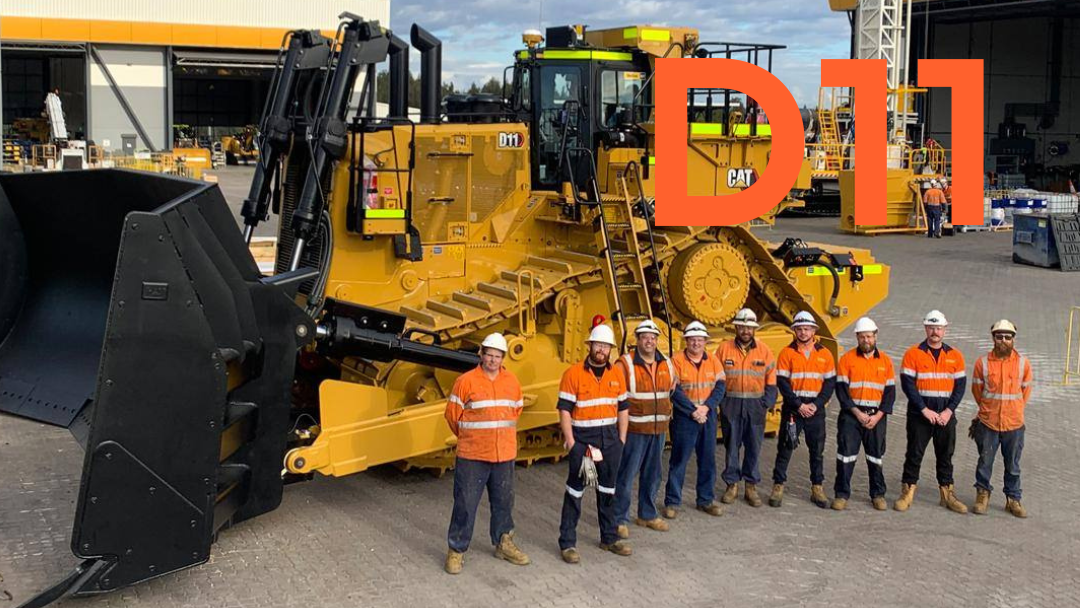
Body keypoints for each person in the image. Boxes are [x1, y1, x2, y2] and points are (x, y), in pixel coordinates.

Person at [443, 333, 529, 574]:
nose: (492, 360)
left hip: (504, 454)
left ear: (503, 358)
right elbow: (452, 415)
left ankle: (503, 542)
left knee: (504, 502)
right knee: (465, 503)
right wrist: (471, 437)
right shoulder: (465, 381)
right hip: (473, 455)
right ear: (481, 354)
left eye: (497, 356)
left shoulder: (512, 381)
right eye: (489, 355)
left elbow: (517, 410)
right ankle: (456, 550)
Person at [556, 324, 631, 563]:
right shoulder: (573, 374)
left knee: (608, 491)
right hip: (583, 443)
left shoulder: (616, 374)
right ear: (590, 346)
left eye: (606, 346)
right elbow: (565, 410)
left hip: (610, 442)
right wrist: (571, 442)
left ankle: (609, 538)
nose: (601, 350)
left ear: (610, 349)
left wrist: (621, 440)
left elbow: (623, 408)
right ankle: (568, 543)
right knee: (575, 493)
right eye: (598, 345)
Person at [614, 320, 688, 537]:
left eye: (653, 338)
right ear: (637, 340)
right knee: (626, 475)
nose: (649, 341)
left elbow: (672, 387)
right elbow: (615, 397)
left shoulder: (666, 363)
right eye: (645, 337)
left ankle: (647, 514)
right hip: (634, 431)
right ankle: (618, 519)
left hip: (658, 430)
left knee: (653, 474)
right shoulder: (625, 364)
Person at [895, 310, 968, 514]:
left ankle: (947, 494)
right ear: (925, 328)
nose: (935, 332)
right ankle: (907, 492)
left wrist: (949, 411)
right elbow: (908, 385)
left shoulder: (955, 356)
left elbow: (960, 387)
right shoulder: (913, 354)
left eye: (938, 328)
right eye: (931, 327)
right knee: (914, 453)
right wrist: (924, 409)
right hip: (920, 415)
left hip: (945, 415)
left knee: (945, 455)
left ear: (945, 329)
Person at [769, 311, 836, 509]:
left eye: (807, 329)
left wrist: (816, 404)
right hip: (793, 409)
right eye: (800, 329)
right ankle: (778, 485)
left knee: (817, 451)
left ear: (814, 331)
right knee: (785, 448)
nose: (803, 332)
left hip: (816, 410)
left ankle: (817, 487)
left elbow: (830, 383)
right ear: (795, 331)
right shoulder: (787, 353)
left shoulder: (825, 354)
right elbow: (782, 382)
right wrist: (798, 405)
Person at [831, 317, 896, 511]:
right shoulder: (847, 359)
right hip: (851, 416)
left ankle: (878, 494)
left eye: (869, 336)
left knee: (875, 457)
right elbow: (842, 391)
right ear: (857, 337)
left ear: (875, 336)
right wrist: (857, 413)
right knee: (846, 456)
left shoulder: (885, 361)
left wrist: (877, 416)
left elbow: (890, 394)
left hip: (876, 416)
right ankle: (841, 494)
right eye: (862, 337)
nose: (866, 340)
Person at [970, 320, 1033, 518]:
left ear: (1013, 339)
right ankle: (982, 494)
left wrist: (1014, 410)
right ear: (993, 338)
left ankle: (1013, 499)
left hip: (1014, 424)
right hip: (988, 423)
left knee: (1013, 465)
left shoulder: (1023, 364)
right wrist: (988, 410)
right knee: (985, 461)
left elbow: (1025, 391)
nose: (1003, 340)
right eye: (999, 337)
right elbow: (977, 391)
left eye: (1008, 337)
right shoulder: (982, 363)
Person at [664, 321, 726, 519]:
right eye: (692, 340)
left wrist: (706, 407)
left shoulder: (713, 360)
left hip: (707, 415)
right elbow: (674, 390)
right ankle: (672, 502)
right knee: (679, 460)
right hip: (685, 417)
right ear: (687, 341)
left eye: (700, 340)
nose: (696, 343)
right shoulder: (676, 361)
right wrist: (693, 411)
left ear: (705, 341)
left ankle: (705, 500)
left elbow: (720, 386)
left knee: (708, 460)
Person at [717, 308, 778, 508]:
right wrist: (722, 402)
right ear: (736, 327)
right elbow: (716, 378)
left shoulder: (764, 350)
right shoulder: (723, 349)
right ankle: (732, 484)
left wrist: (766, 403)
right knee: (731, 446)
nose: (746, 331)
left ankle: (751, 486)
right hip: (731, 404)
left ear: (754, 329)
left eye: (749, 328)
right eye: (742, 327)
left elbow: (771, 381)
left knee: (753, 447)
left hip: (755, 406)